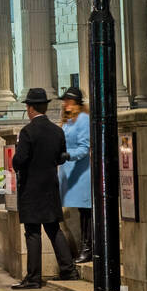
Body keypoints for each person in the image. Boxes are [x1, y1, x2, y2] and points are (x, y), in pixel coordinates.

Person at [12, 88, 78, 288]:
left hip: (31, 190)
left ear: (30, 108)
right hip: (50, 187)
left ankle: (33, 278)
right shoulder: (57, 131)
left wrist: (18, 158)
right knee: (54, 229)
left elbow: (19, 161)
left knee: (33, 233)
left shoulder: (27, 132)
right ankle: (68, 270)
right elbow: (60, 157)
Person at [58, 88, 92, 265]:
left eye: (68, 101)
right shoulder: (68, 121)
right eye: (64, 101)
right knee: (81, 212)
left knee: (86, 211)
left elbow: (84, 148)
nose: (65, 104)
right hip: (69, 172)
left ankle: (87, 248)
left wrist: (67, 155)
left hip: (81, 174)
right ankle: (84, 247)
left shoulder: (83, 120)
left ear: (76, 103)